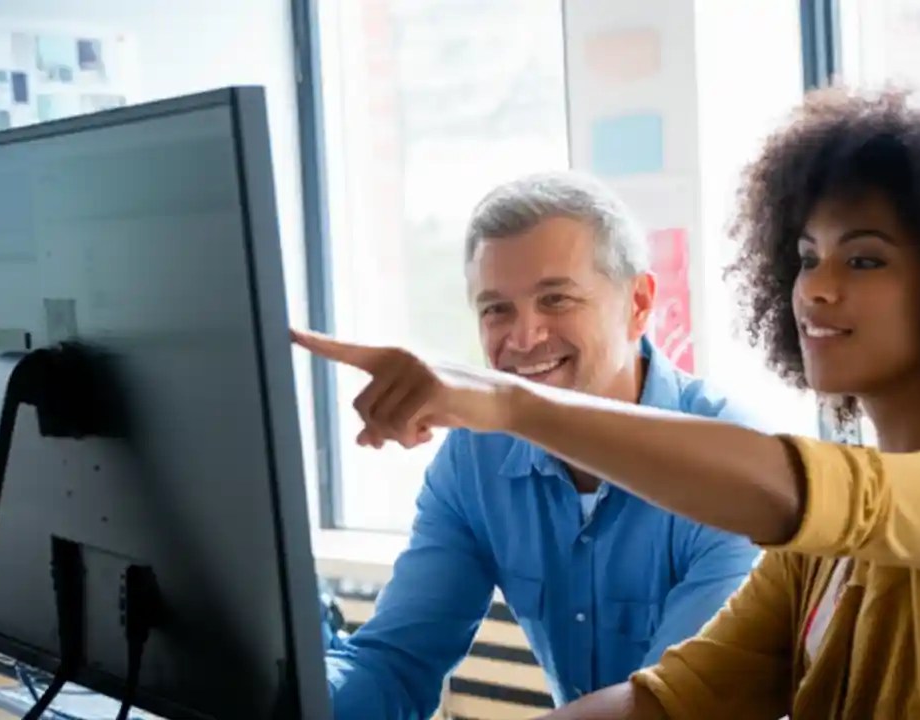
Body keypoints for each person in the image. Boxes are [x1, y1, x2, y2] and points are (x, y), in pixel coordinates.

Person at [297, 87, 920, 719]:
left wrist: (510, 404)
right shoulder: (820, 549)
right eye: (807, 258)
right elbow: (674, 701)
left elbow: (822, 496)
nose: (815, 290)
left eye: (864, 261)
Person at [321, 172, 763, 718]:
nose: (524, 337)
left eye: (556, 299)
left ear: (639, 303)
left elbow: (677, 705)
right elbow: (396, 664)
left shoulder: (734, 459)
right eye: (496, 309)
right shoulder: (475, 457)